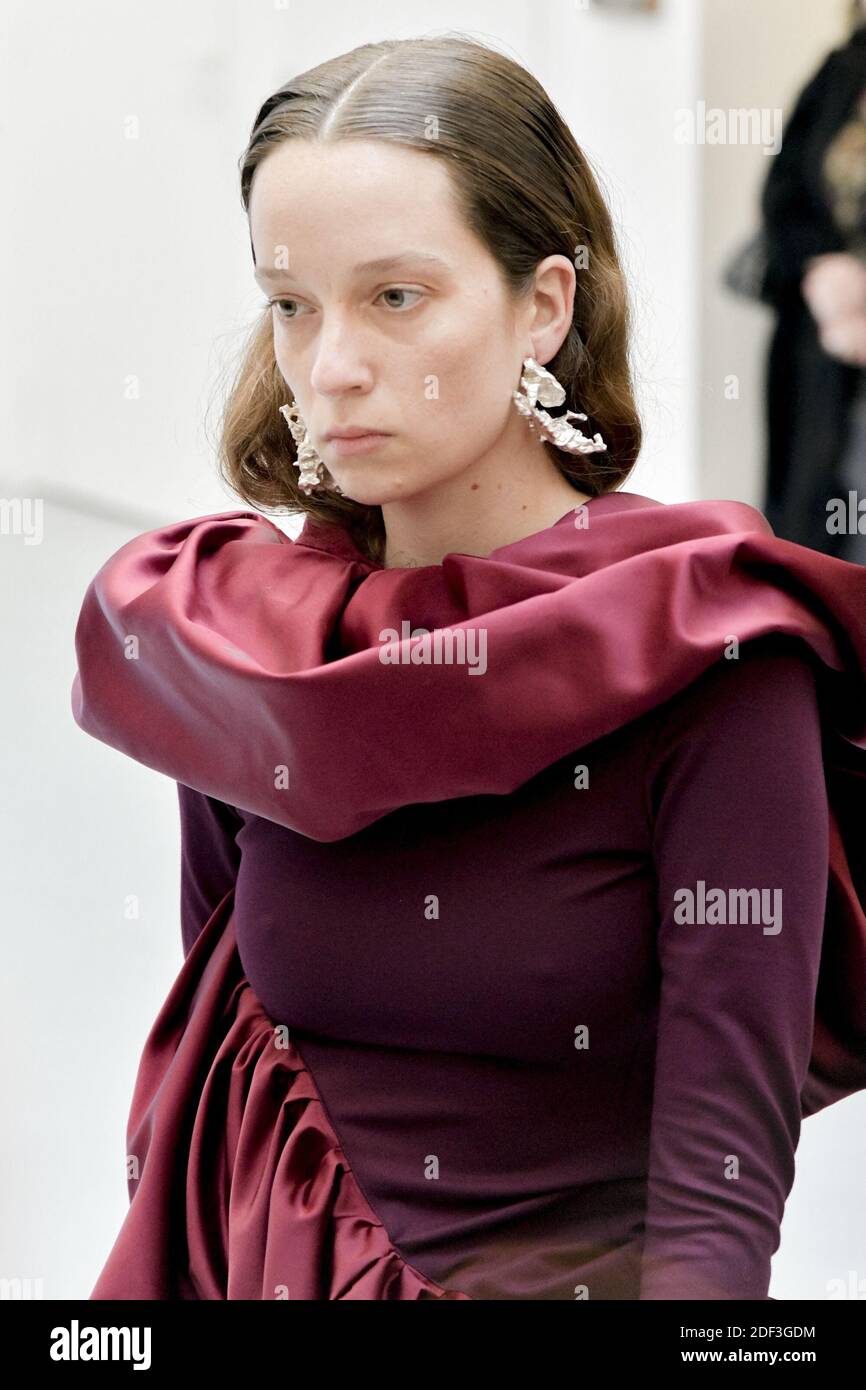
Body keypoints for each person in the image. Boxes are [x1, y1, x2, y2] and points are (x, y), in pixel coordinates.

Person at [72, 33, 866, 1301]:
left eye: (395, 297)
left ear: (542, 305)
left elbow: (716, 1208)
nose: (327, 368)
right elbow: (224, 1080)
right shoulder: (264, 639)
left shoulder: (706, 646)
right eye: (291, 304)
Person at [761, 0, 866, 561]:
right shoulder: (841, 72)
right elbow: (783, 196)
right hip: (823, 349)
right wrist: (824, 273)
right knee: (816, 528)